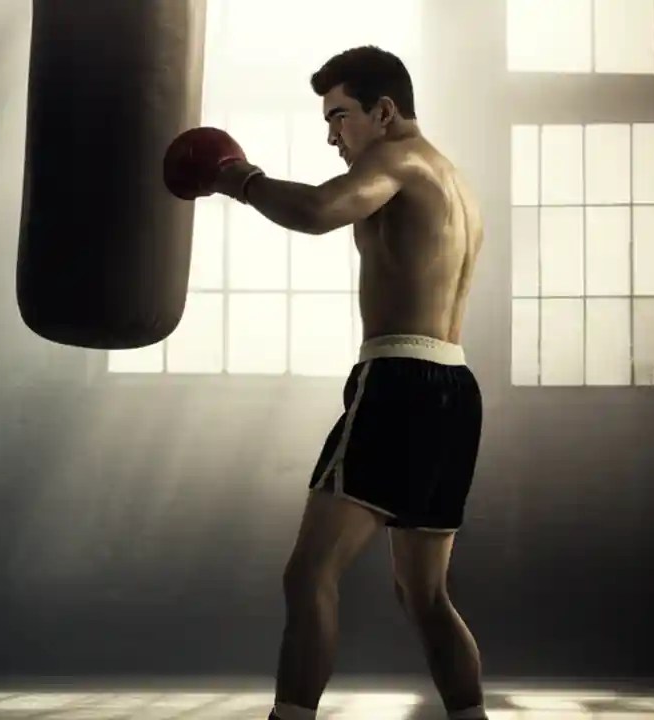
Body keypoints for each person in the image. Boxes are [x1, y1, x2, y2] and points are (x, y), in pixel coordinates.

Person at [186, 46, 488, 720]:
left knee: (309, 573)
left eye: (339, 117)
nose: (332, 136)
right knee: (426, 596)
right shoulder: (454, 180)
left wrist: (235, 177)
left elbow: (321, 211)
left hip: (400, 384)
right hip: (454, 390)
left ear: (383, 112)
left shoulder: (397, 158)